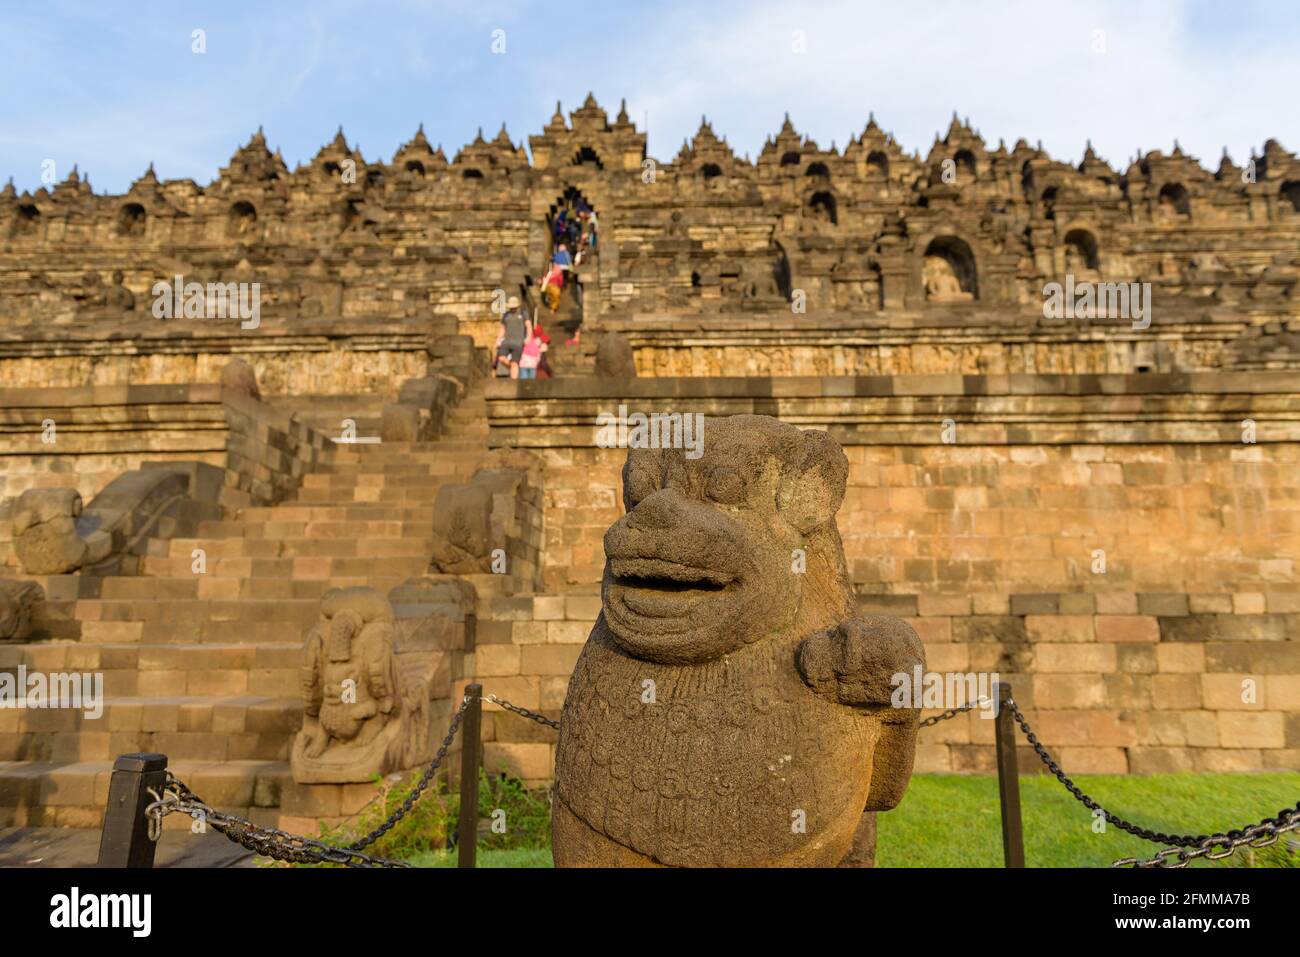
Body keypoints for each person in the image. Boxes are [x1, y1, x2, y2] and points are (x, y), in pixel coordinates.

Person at [493, 295, 531, 379]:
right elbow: (503, 328)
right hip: (506, 341)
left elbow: (528, 325)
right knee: (501, 358)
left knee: (515, 362)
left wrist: (528, 337)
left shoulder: (523, 313)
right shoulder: (506, 315)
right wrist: (497, 340)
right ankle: (513, 368)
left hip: (518, 342)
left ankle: (514, 380)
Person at [518, 313, 548, 379]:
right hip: (532, 364)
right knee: (531, 379)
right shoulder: (537, 342)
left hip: (524, 363)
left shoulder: (525, 341)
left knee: (524, 379)